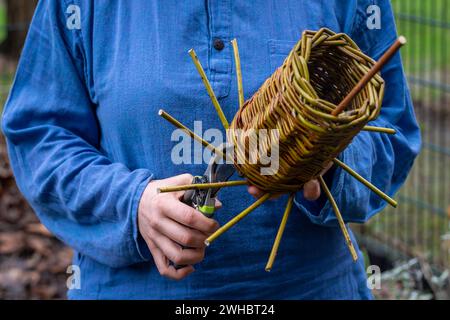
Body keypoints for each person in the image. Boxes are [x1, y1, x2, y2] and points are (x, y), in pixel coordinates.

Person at [2, 0, 420, 299]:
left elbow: (392, 131)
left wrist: (328, 157)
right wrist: (132, 204)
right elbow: (40, 133)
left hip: (310, 287)